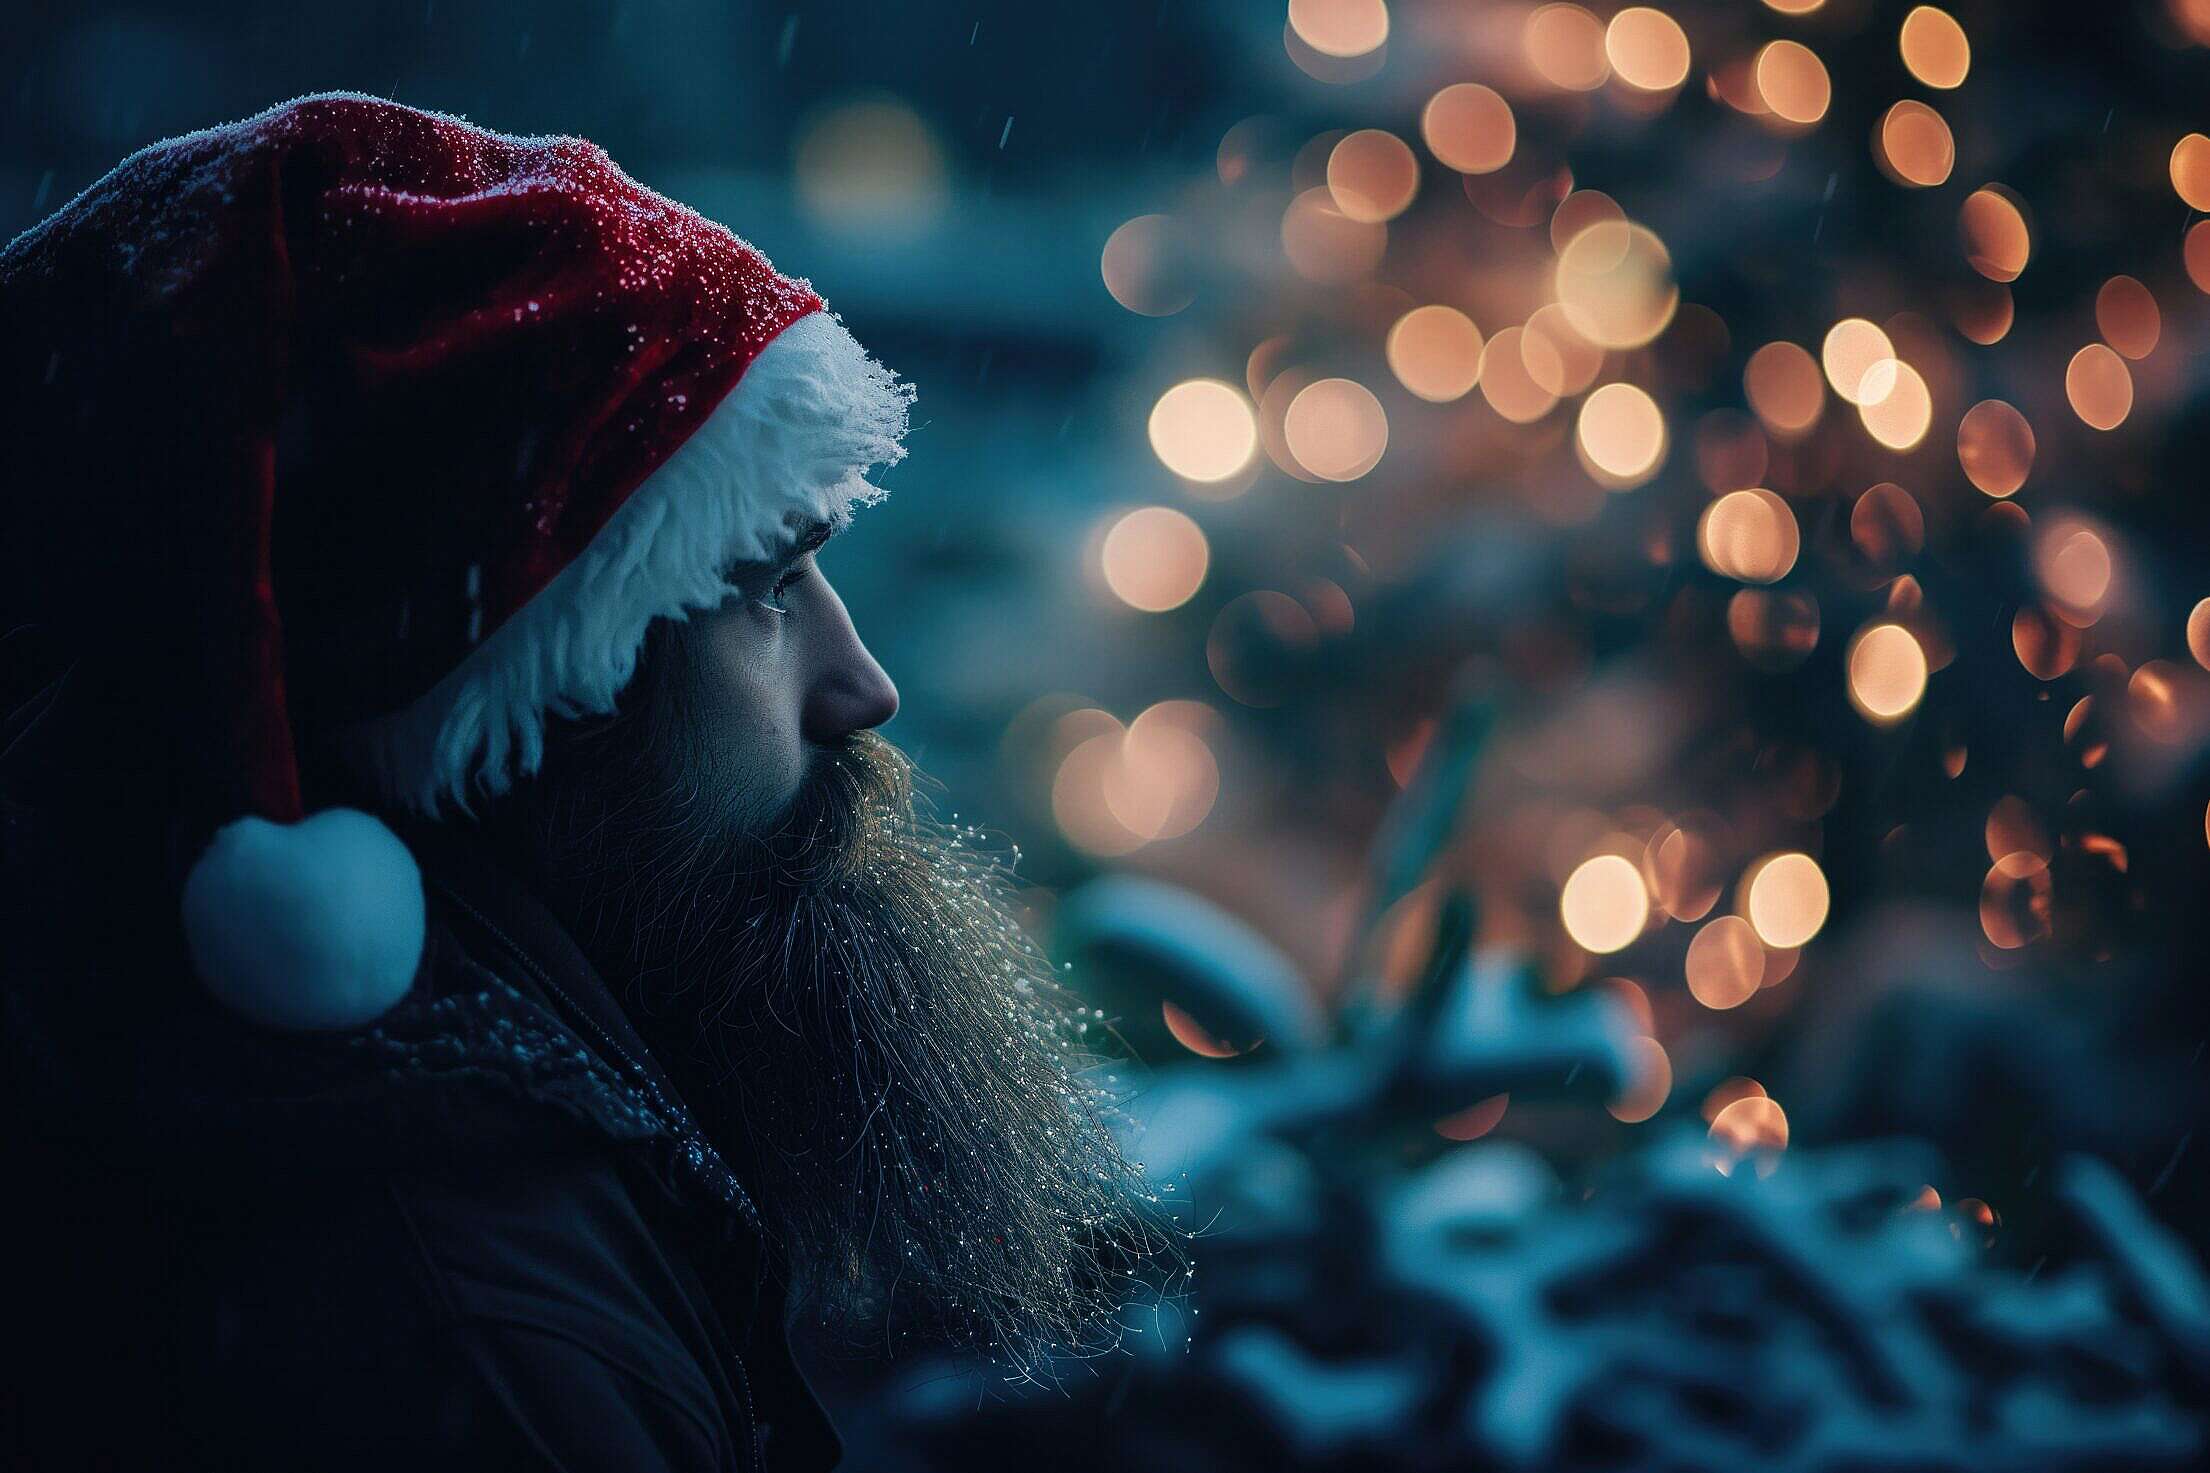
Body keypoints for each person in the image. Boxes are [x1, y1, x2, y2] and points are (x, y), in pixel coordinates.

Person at [0, 93, 1169, 1471]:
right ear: (517, 690)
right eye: (766, 587)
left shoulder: (459, 1183)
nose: (864, 687)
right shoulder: (466, 1330)